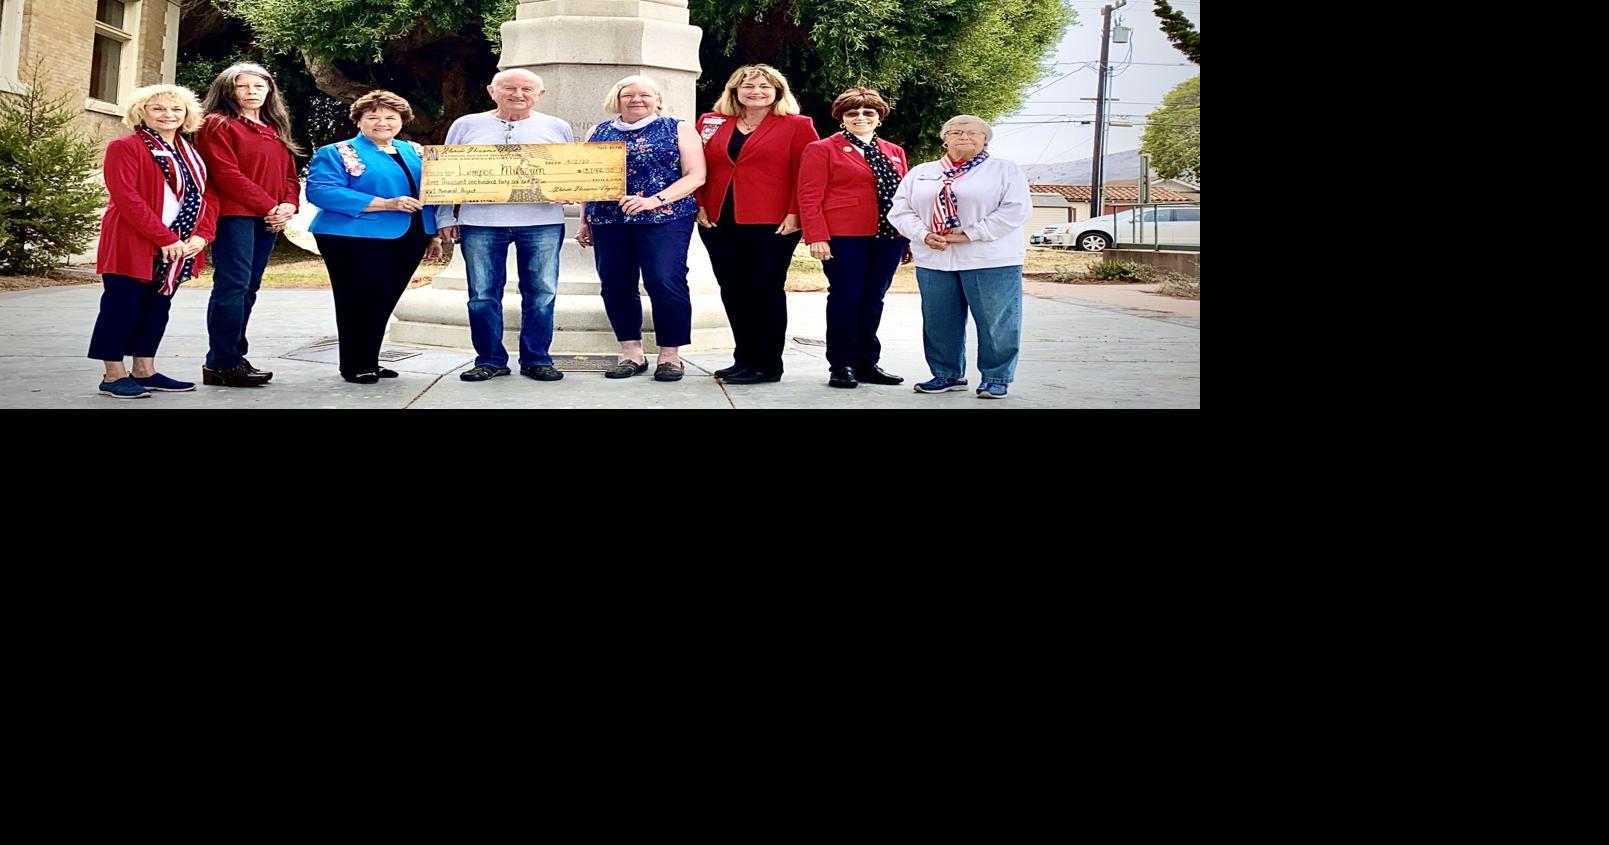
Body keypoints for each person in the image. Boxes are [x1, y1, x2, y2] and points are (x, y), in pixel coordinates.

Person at [436, 69, 572, 383]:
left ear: (541, 94)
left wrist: (570, 190)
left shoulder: (557, 127)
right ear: (491, 90)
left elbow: (570, 171)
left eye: (527, 89)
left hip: (542, 222)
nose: (518, 94)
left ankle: (537, 359)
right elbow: (443, 174)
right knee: (482, 295)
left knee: (542, 293)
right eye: (508, 87)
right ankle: (490, 359)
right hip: (480, 222)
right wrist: (445, 216)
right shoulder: (466, 125)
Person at [87, 84, 217, 398]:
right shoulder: (126, 146)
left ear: (187, 115)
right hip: (132, 241)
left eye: (176, 109)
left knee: (157, 306)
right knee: (122, 306)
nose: (168, 115)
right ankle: (113, 374)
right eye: (158, 108)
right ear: (141, 113)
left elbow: (208, 196)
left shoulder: (191, 154)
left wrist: (203, 235)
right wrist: (163, 237)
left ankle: (145, 370)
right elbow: (125, 196)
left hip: (180, 245)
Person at [306, 90, 444, 384]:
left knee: (383, 299)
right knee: (357, 298)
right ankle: (354, 364)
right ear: (359, 120)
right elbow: (321, 191)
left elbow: (431, 193)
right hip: (352, 237)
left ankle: (369, 359)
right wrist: (386, 203)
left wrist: (432, 234)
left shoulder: (414, 150)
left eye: (390, 117)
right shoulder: (335, 152)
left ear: (402, 120)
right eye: (373, 117)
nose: (382, 122)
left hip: (410, 234)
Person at [889, 115, 1030, 399]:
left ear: (985, 139)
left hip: (990, 259)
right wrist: (924, 235)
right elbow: (900, 210)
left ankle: (996, 377)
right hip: (935, 257)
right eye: (955, 132)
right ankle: (946, 374)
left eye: (972, 132)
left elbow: (1015, 210)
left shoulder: (1005, 170)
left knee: (995, 321)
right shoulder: (921, 172)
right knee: (939, 319)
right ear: (944, 138)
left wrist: (970, 234)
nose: (963, 136)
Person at [693, 64, 818, 384]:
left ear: (778, 91)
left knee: (765, 290)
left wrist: (796, 213)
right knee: (733, 290)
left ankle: (767, 364)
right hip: (719, 220)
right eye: (747, 86)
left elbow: (808, 175)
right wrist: (701, 205)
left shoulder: (798, 125)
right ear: (734, 91)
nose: (756, 91)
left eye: (764, 86)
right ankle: (744, 358)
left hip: (773, 221)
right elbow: (695, 167)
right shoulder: (711, 122)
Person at [576, 76, 706, 381]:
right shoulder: (598, 131)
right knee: (616, 283)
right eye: (628, 95)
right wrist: (584, 218)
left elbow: (695, 175)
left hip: (666, 217)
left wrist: (653, 201)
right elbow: (586, 178)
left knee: (664, 280)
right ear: (616, 99)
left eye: (644, 94)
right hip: (609, 219)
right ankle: (631, 351)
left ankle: (670, 355)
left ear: (657, 99)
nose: (636, 99)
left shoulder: (678, 128)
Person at [195, 62, 301, 387]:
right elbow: (226, 175)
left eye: (258, 86)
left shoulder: (273, 129)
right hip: (235, 217)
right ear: (229, 90)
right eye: (243, 86)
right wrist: (269, 205)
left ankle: (235, 358)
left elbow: (289, 176)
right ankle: (221, 363)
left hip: (267, 219)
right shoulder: (217, 124)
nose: (251, 92)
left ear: (269, 90)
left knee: (249, 289)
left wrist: (287, 205)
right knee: (233, 287)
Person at [796, 88, 910, 389]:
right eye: (853, 113)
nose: (861, 118)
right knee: (847, 297)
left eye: (868, 112)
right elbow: (809, 196)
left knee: (874, 299)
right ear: (842, 118)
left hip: (888, 236)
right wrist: (816, 236)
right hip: (844, 236)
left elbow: (904, 198)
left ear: (879, 118)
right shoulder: (822, 149)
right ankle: (842, 364)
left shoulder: (894, 151)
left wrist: (908, 237)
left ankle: (867, 362)